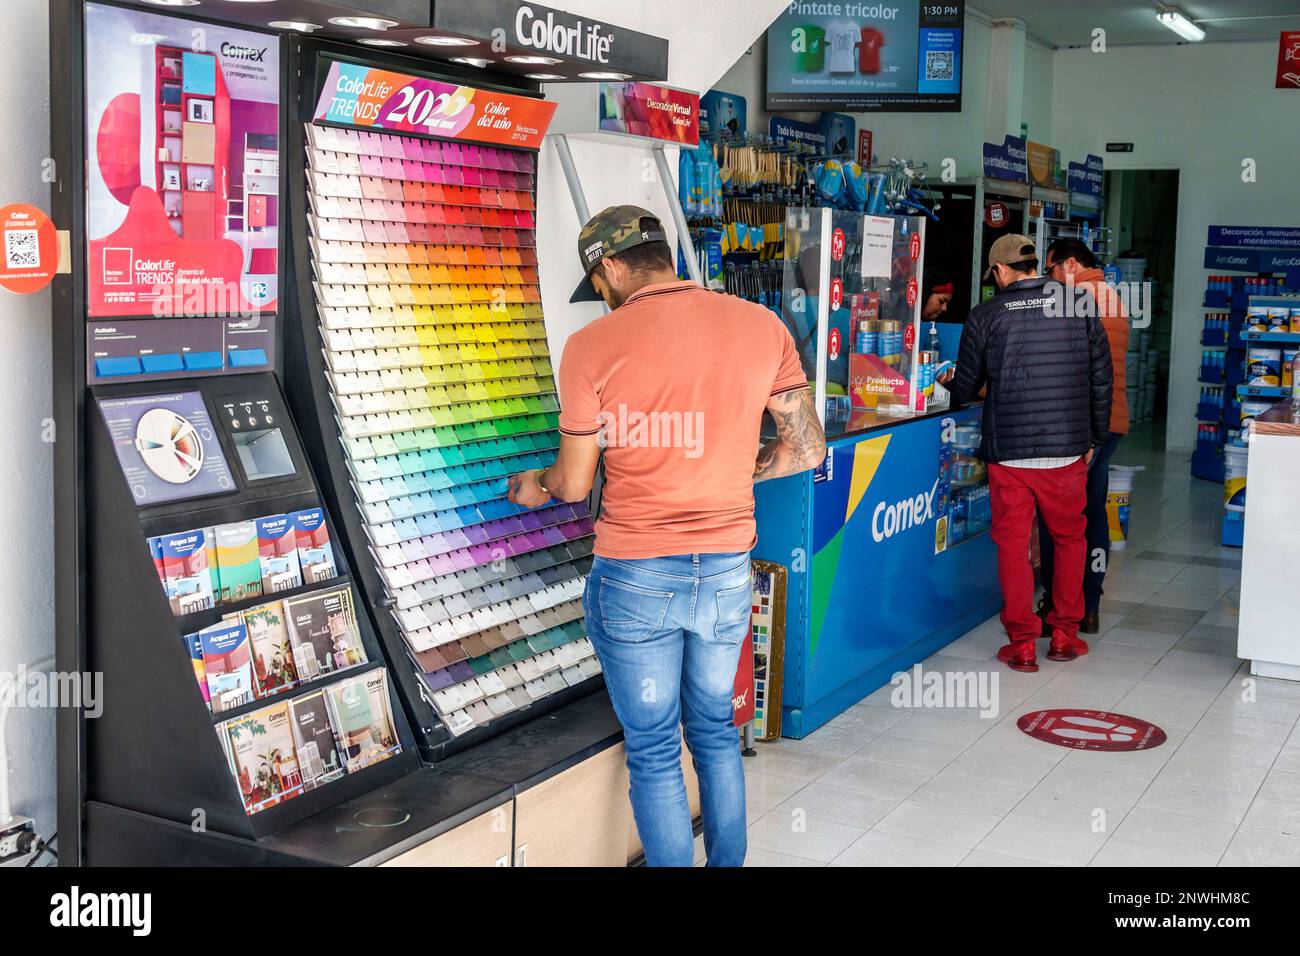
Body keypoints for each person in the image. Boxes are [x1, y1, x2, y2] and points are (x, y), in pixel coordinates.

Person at [507, 205, 826, 866]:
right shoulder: (759, 325)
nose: (599, 292)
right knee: (713, 730)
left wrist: (533, 482)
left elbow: (573, 483)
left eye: (597, 279)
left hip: (637, 572)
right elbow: (809, 449)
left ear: (614, 265)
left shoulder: (591, 347)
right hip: (725, 571)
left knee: (653, 747)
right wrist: (755, 461)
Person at [943, 234, 1112, 672]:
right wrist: (1093, 438)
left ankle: (1021, 643)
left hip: (1010, 453)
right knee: (1071, 540)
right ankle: (1063, 636)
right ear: (1037, 264)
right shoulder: (1080, 306)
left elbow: (964, 388)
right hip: (1066, 450)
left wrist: (950, 384)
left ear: (1000, 271)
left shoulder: (986, 314)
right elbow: (1101, 380)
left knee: (1013, 547)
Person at [1037, 238, 1129, 635]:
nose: (1048, 278)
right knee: (1093, 517)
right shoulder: (1113, 295)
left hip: (1079, 426)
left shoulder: (1075, 300)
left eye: (1051, 270)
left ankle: (1059, 606)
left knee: (1058, 519)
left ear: (1070, 264)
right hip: (1111, 423)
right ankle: (1089, 605)